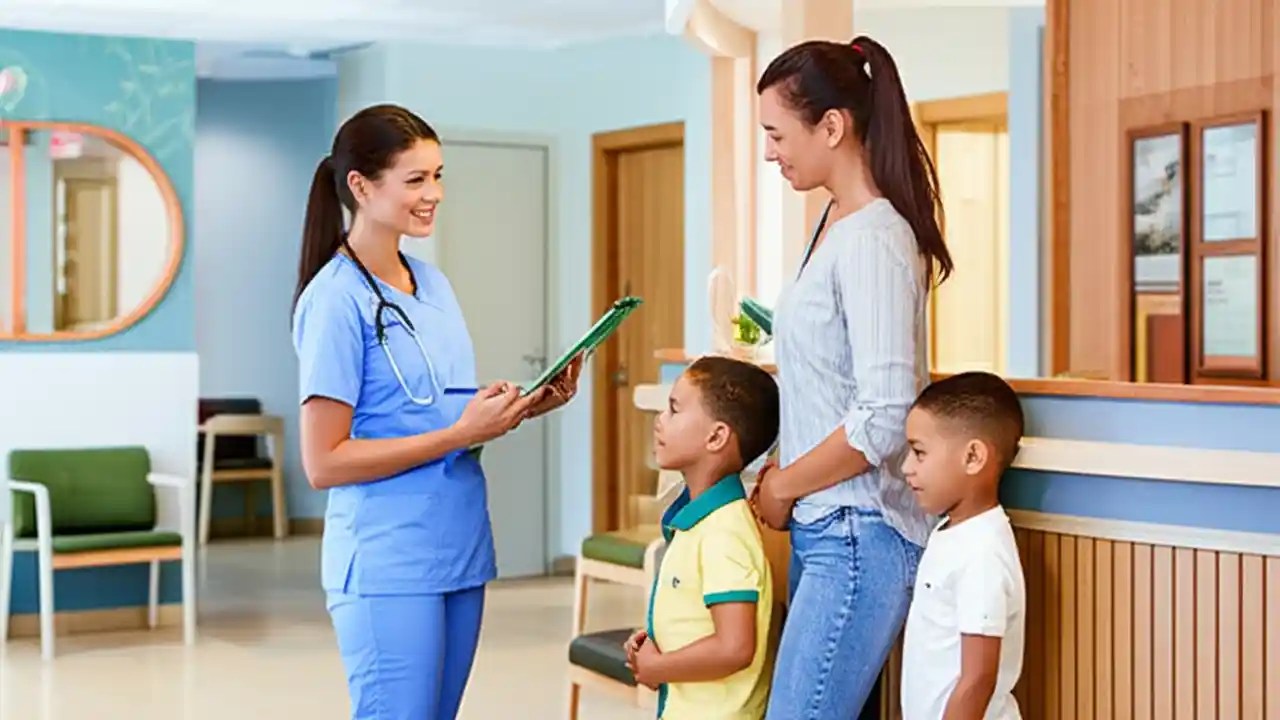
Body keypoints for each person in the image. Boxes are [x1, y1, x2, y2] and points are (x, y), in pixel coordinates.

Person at [291, 103, 581, 720]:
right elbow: (324, 462)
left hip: (457, 544)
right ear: (361, 187)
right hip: (387, 556)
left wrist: (522, 408)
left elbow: (435, 415)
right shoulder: (334, 301)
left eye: (439, 176)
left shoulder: (433, 285)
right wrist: (457, 433)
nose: (435, 195)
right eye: (416, 179)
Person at [749, 35, 955, 719]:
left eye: (777, 134)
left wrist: (781, 483)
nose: (770, 151)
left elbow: (887, 413)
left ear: (832, 126)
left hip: (858, 535)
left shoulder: (873, 238)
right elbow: (824, 388)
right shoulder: (833, 226)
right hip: (827, 528)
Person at [626, 356, 780, 720]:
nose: (660, 420)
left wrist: (657, 669)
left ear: (716, 436)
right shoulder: (701, 520)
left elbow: (735, 647)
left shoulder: (725, 533)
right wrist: (657, 641)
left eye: (674, 409)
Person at [899, 372, 1027, 720]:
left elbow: (978, 678)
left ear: (973, 457)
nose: (906, 467)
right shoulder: (952, 532)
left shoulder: (981, 552)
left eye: (918, 453)